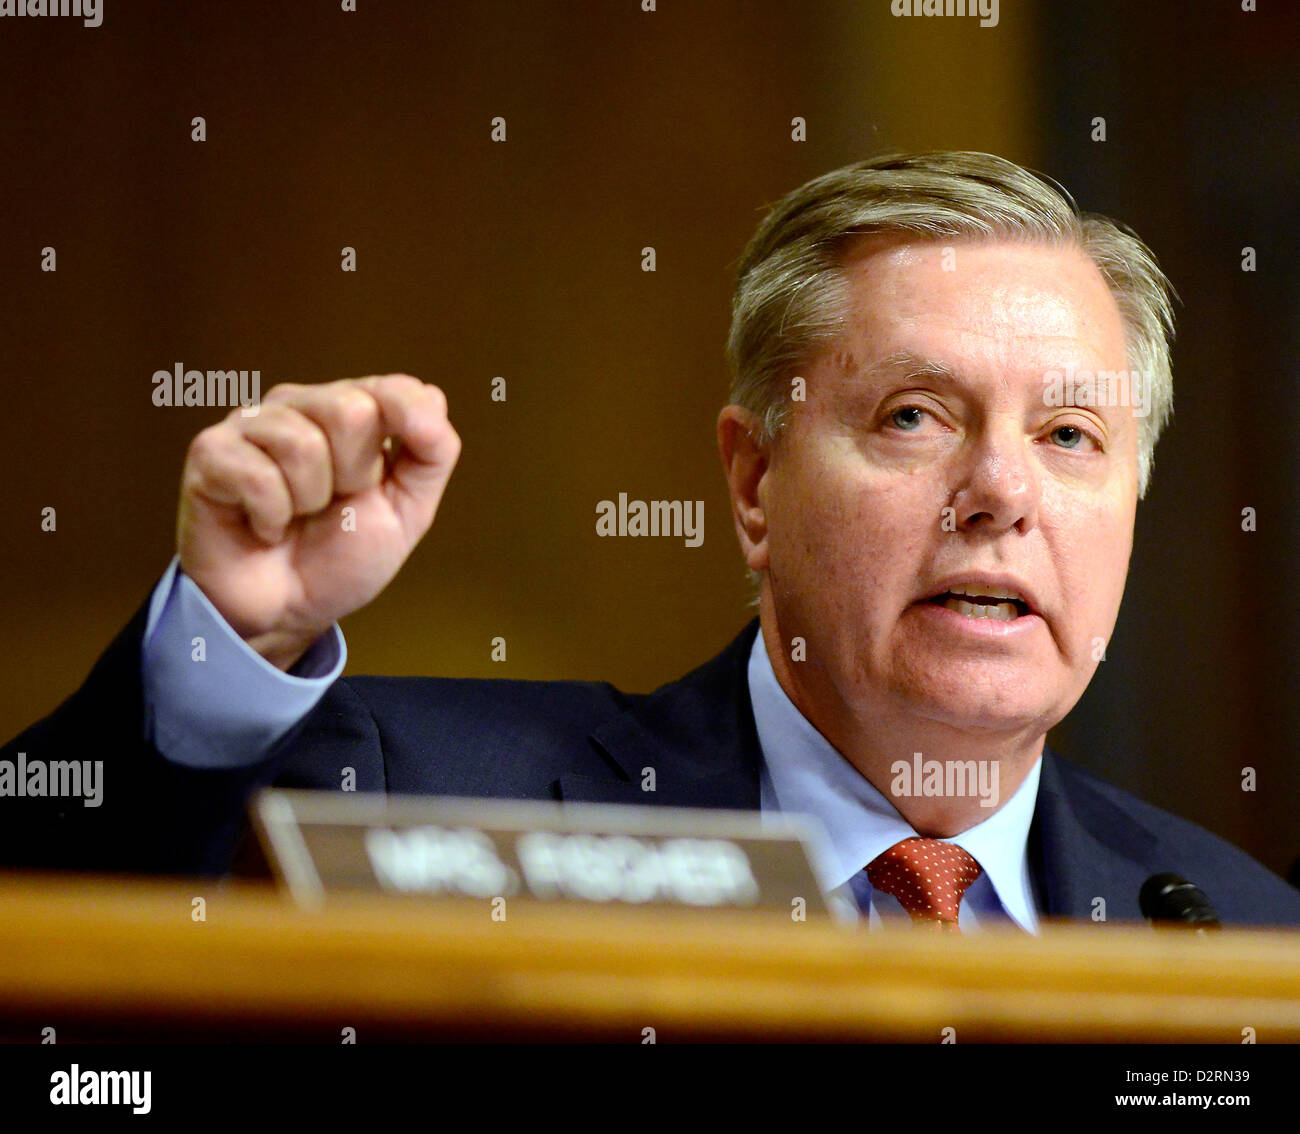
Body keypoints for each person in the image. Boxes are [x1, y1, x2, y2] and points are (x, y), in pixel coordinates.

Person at [4, 151, 1297, 932]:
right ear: (752, 482)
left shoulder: (1237, 931)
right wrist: (228, 651)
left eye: (1072, 435)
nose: (1001, 489)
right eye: (914, 414)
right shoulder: (419, 797)